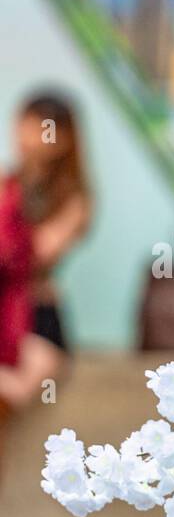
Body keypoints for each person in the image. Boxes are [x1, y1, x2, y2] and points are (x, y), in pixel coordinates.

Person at [0, 92, 92, 413]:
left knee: (15, 388)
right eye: (24, 124)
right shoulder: (8, 183)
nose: (26, 135)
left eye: (40, 127)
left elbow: (33, 255)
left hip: (37, 318)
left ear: (64, 138)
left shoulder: (74, 199)